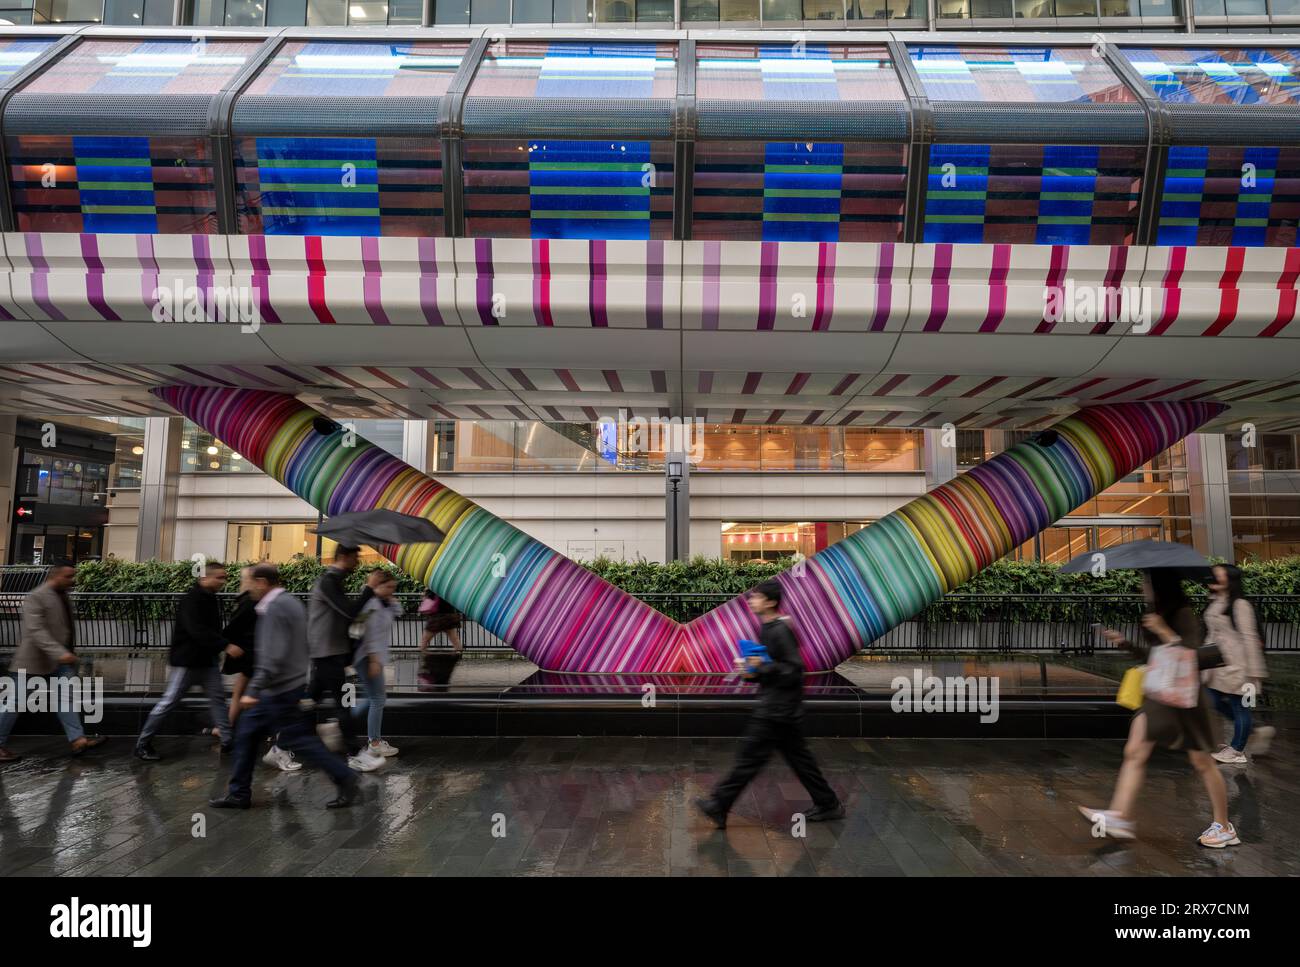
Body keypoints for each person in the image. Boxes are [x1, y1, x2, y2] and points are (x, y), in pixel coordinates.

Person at [1079, 569, 1238, 848]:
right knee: (1135, 750)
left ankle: (1224, 826)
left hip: (1186, 697)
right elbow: (1156, 657)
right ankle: (1120, 816)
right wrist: (1124, 643)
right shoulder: (1157, 612)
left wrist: (1163, 631)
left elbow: (1190, 654)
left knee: (1202, 762)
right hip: (1160, 693)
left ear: (1160, 584)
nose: (1143, 586)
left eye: (1147, 582)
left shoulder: (1183, 613)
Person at [694, 580, 844, 830]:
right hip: (781, 709)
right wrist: (750, 671)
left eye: (757, 597)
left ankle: (719, 805)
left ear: (771, 602)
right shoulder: (767, 629)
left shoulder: (779, 630)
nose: (751, 600)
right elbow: (772, 667)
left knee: (749, 758)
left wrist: (761, 668)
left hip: (777, 711)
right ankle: (828, 803)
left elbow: (794, 669)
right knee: (800, 761)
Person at [210, 564, 360, 810]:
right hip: (290, 684)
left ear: (261, 582)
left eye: (248, 583)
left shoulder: (275, 608)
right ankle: (238, 792)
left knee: (295, 740)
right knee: (256, 736)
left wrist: (254, 690)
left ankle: (343, 776)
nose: (247, 589)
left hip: (276, 689)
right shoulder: (290, 602)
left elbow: (272, 654)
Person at [0, 560, 106, 762]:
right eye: (67, 576)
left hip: (59, 661)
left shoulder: (62, 595)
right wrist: (60, 653)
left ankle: (77, 740)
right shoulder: (35, 597)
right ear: (54, 575)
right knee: (15, 702)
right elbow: (36, 630)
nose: (72, 580)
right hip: (32, 662)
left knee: (66, 699)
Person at [134, 562, 237, 761]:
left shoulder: (208, 598)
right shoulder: (193, 600)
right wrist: (225, 645)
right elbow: (197, 630)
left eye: (224, 578)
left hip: (203, 660)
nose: (223, 582)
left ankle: (227, 740)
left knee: (216, 700)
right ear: (205, 578)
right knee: (170, 702)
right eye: (219, 577)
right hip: (189, 662)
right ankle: (142, 743)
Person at [222, 567, 301, 773]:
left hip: (260, 664)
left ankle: (227, 734)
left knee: (244, 704)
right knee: (247, 706)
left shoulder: (264, 602)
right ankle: (229, 734)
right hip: (257, 662)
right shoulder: (256, 602)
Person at [307, 546, 382, 756]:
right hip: (326, 653)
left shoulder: (335, 581)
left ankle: (283, 742)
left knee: (310, 700)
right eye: (355, 558)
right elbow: (349, 612)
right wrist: (369, 588)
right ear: (344, 557)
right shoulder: (328, 581)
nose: (357, 562)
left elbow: (345, 617)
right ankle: (355, 753)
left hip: (329, 653)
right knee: (342, 705)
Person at [1204, 564, 1271, 764]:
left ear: (1230, 580)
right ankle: (1253, 732)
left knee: (1241, 706)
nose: (1213, 579)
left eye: (1219, 576)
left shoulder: (1241, 605)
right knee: (1211, 700)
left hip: (1242, 666)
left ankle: (1237, 750)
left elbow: (1250, 638)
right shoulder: (1216, 602)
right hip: (1219, 666)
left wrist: (1254, 672)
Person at [349, 572, 402, 770]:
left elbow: (398, 611)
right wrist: (373, 659)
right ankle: (374, 742)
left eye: (393, 588)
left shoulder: (383, 603)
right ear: (377, 586)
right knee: (378, 698)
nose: (391, 591)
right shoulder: (371, 605)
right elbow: (362, 632)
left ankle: (344, 722)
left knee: (374, 697)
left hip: (374, 657)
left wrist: (389, 597)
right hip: (368, 657)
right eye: (388, 587)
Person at [417, 589, 463, 691]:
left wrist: (425, 594)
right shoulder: (447, 587)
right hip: (448, 614)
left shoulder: (433, 587)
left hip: (437, 616)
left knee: (425, 639)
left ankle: (423, 655)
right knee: (453, 637)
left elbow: (427, 597)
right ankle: (458, 653)